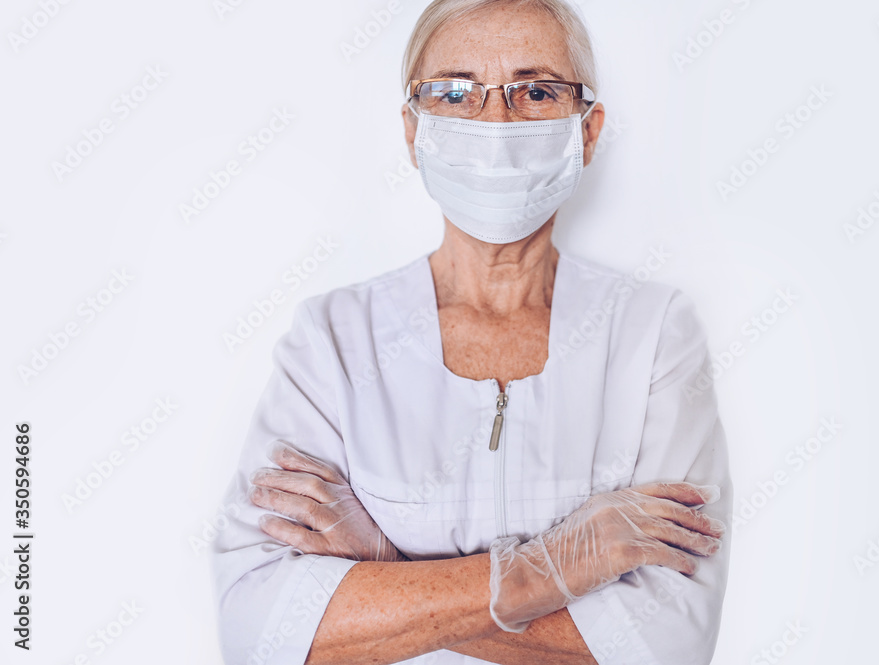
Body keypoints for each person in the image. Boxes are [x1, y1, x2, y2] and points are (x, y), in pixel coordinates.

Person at [210, 1, 733, 663]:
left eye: (536, 91)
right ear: (413, 130)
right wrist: (545, 568)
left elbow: (667, 642)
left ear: (587, 131)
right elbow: (260, 628)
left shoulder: (653, 333)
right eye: (454, 93)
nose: (495, 122)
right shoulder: (335, 339)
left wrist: (384, 563)